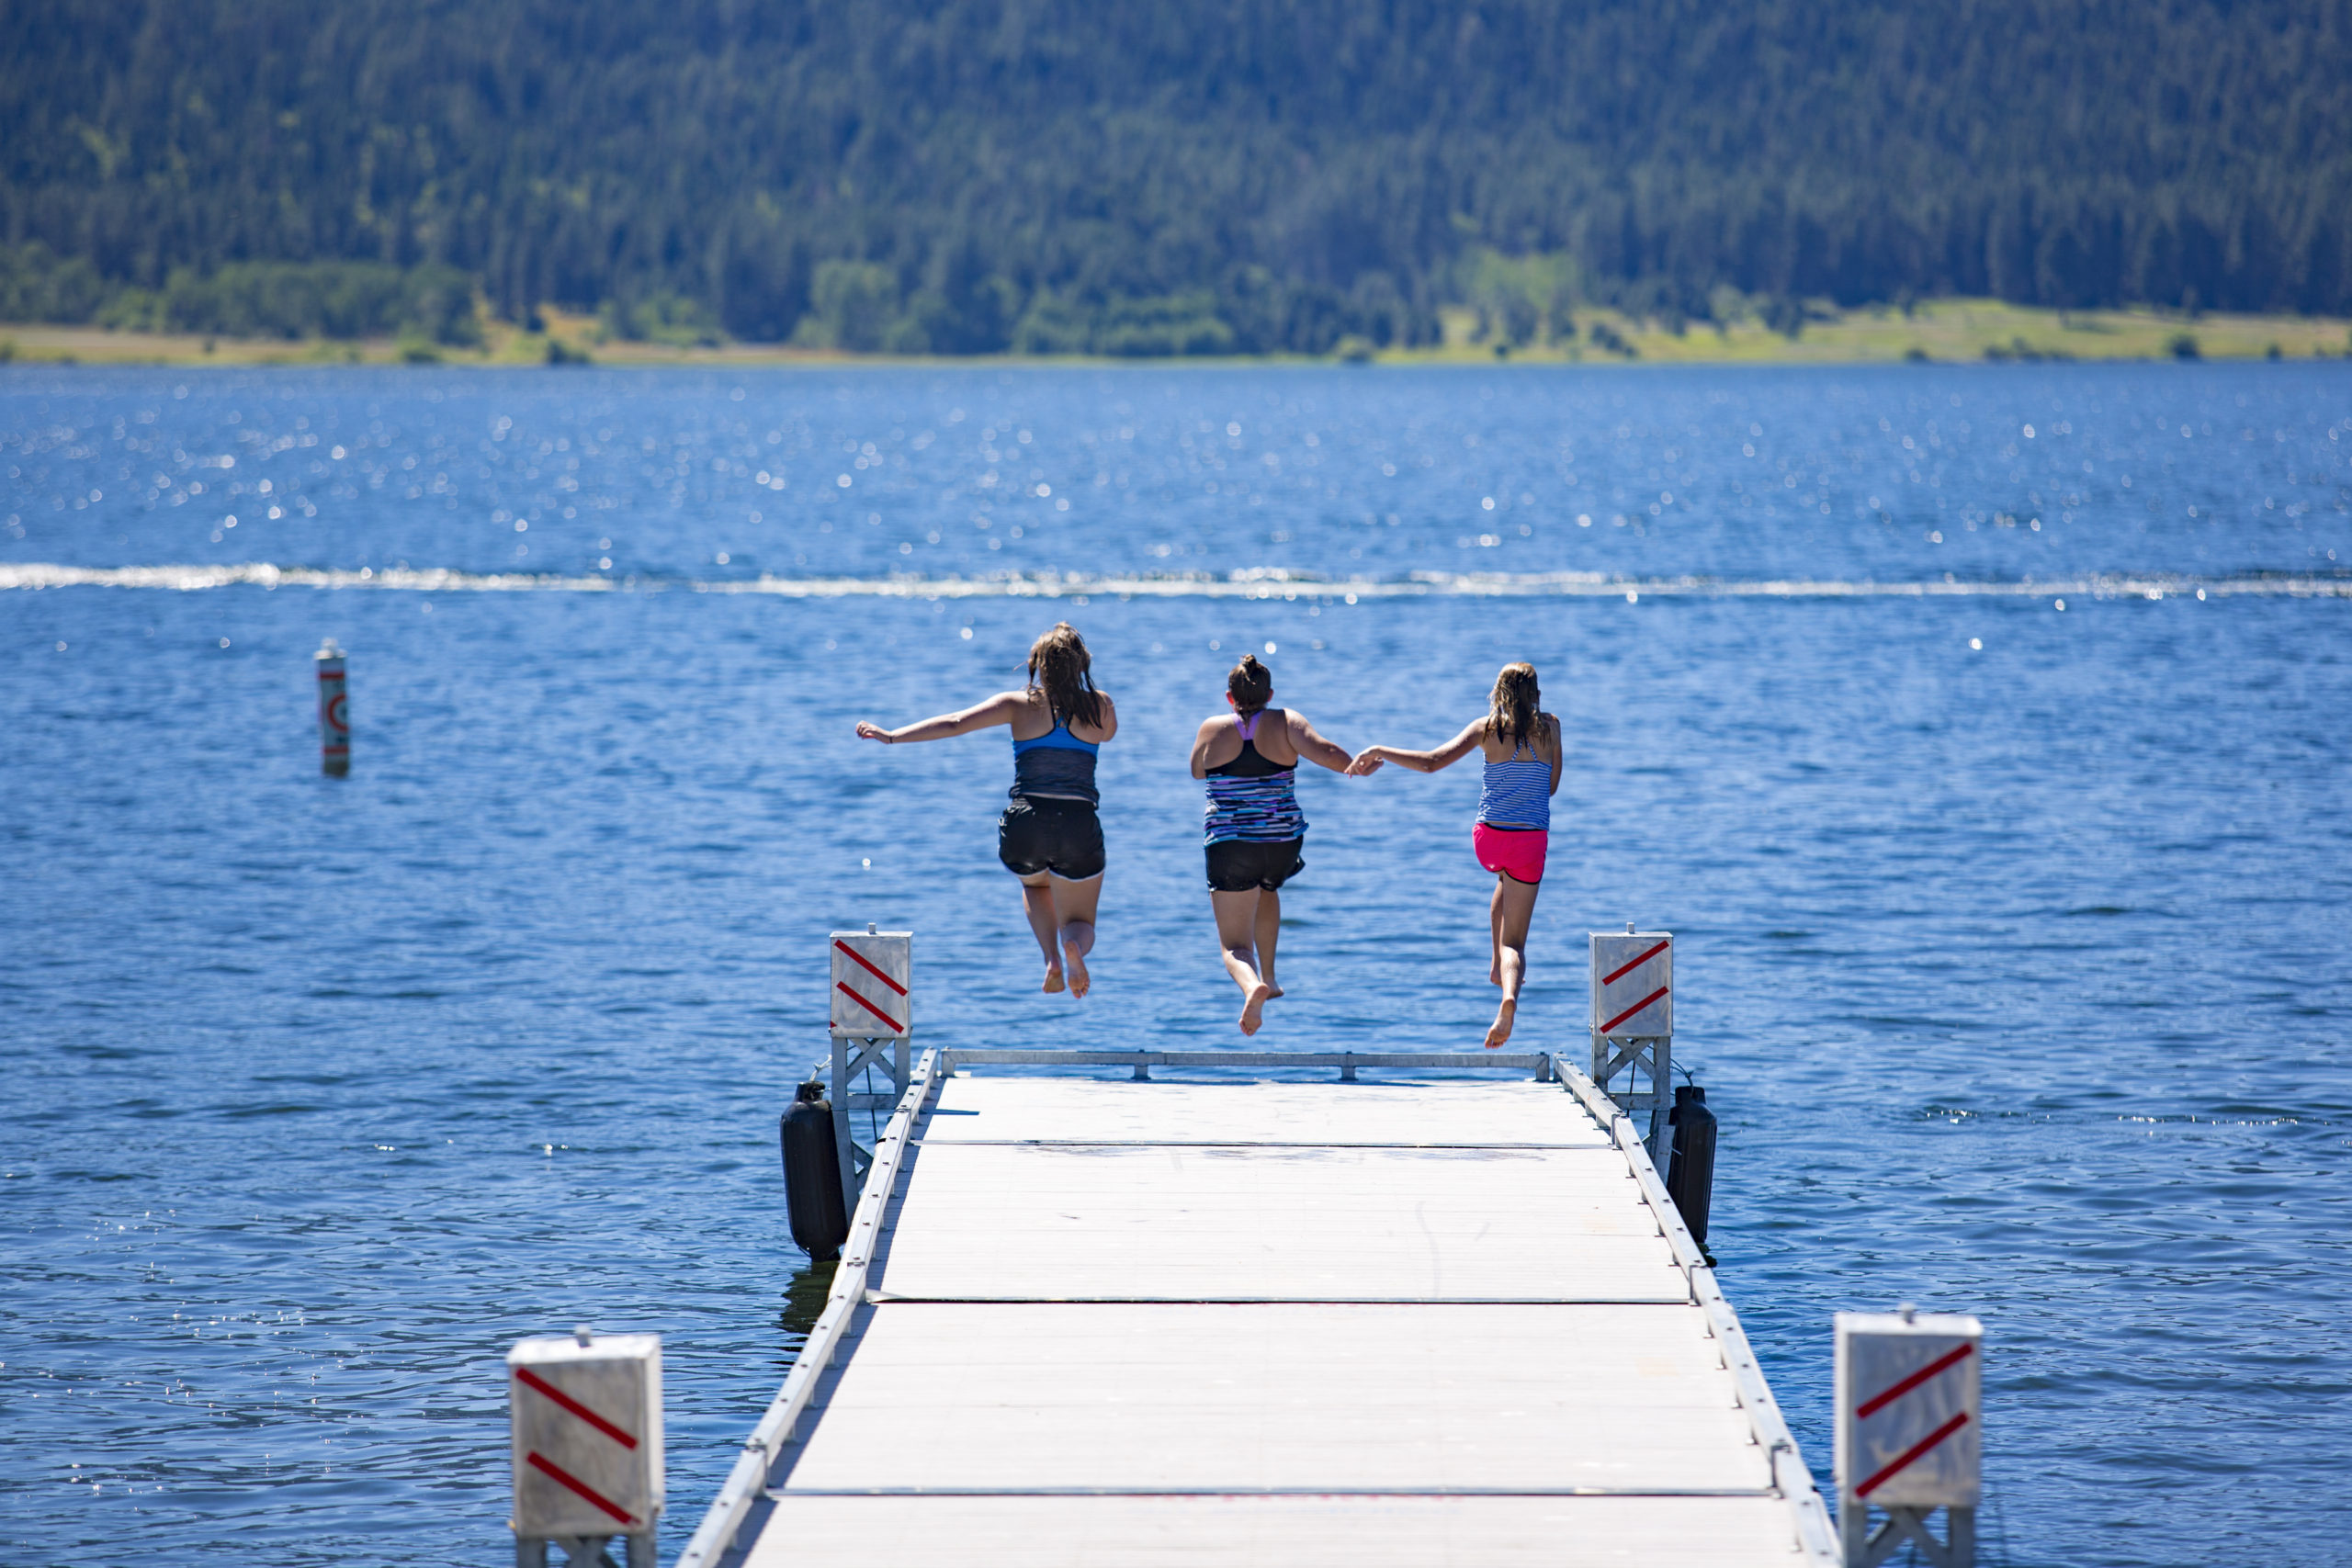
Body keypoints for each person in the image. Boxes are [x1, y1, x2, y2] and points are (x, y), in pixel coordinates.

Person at [855, 623, 1116, 997]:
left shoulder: (1018, 704)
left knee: (1034, 884)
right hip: (1077, 822)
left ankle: (1051, 959)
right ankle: (1072, 947)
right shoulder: (1100, 705)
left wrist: (893, 735)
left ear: (1038, 664)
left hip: (1026, 823)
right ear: (1082, 665)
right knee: (1079, 921)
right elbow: (1109, 733)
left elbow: (955, 723)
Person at [1346, 661, 1561, 1047]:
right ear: (1536, 693)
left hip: (1489, 839)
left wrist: (1380, 749)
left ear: (1499, 692)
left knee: (1501, 894)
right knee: (1515, 941)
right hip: (1530, 840)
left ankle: (1496, 967)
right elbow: (1551, 787)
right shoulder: (1552, 727)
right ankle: (1509, 995)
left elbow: (1431, 763)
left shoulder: (1486, 728)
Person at [1188, 654, 1355, 1035]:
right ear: (1270, 694)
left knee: (1232, 946)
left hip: (1232, 844)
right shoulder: (1286, 721)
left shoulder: (1213, 727)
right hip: (1281, 843)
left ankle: (1253, 985)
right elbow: (1326, 751)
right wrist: (1354, 765)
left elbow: (1197, 771)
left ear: (1230, 697)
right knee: (1267, 887)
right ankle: (1272, 976)